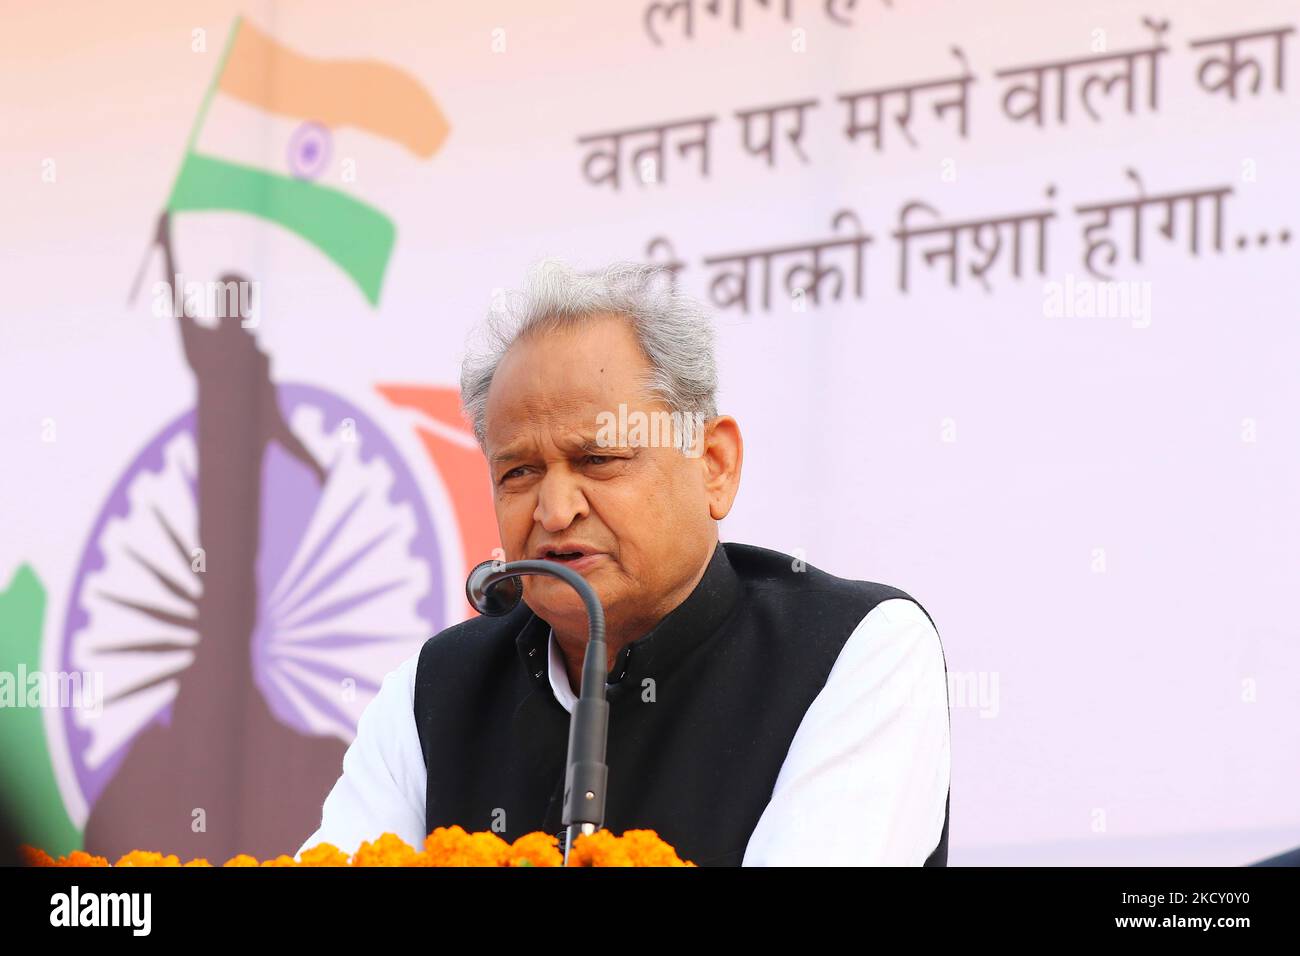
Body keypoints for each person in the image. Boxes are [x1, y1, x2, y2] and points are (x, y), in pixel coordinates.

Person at [300, 259, 951, 865]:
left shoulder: (856, 648)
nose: (554, 510)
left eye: (598, 460)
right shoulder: (432, 691)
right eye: (520, 471)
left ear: (714, 466)